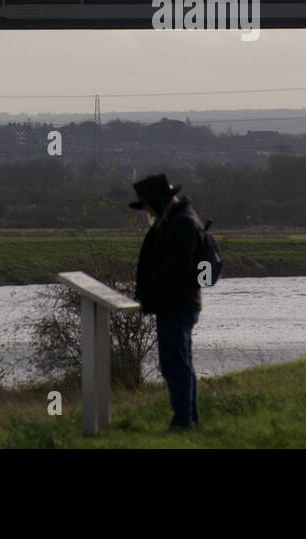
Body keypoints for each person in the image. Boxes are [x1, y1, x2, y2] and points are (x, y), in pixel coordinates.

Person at [131, 173, 205, 434]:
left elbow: (175, 269)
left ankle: (183, 422)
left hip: (176, 304)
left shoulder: (180, 224)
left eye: (147, 205)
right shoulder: (177, 220)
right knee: (180, 363)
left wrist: (150, 289)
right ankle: (189, 419)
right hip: (176, 303)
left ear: (158, 202)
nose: (146, 211)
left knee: (175, 364)